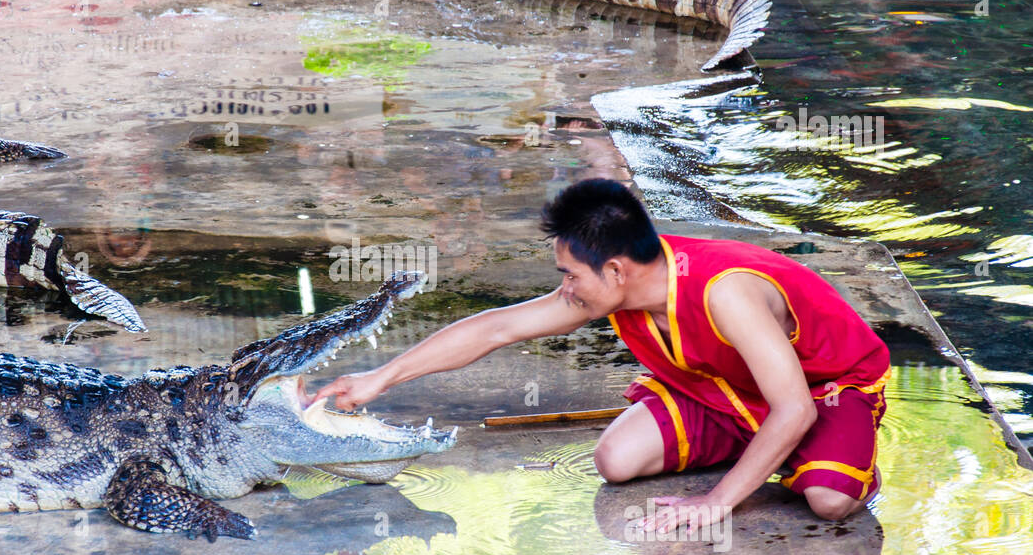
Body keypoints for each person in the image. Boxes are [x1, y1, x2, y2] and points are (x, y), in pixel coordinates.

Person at [312, 179, 890, 532]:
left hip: (819, 393)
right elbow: (497, 328)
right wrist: (379, 379)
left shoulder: (726, 293)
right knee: (616, 460)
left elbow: (793, 409)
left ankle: (835, 460)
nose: (565, 287)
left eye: (569, 273)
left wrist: (717, 502)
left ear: (615, 269)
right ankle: (761, 452)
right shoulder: (617, 285)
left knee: (829, 500)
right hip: (723, 393)